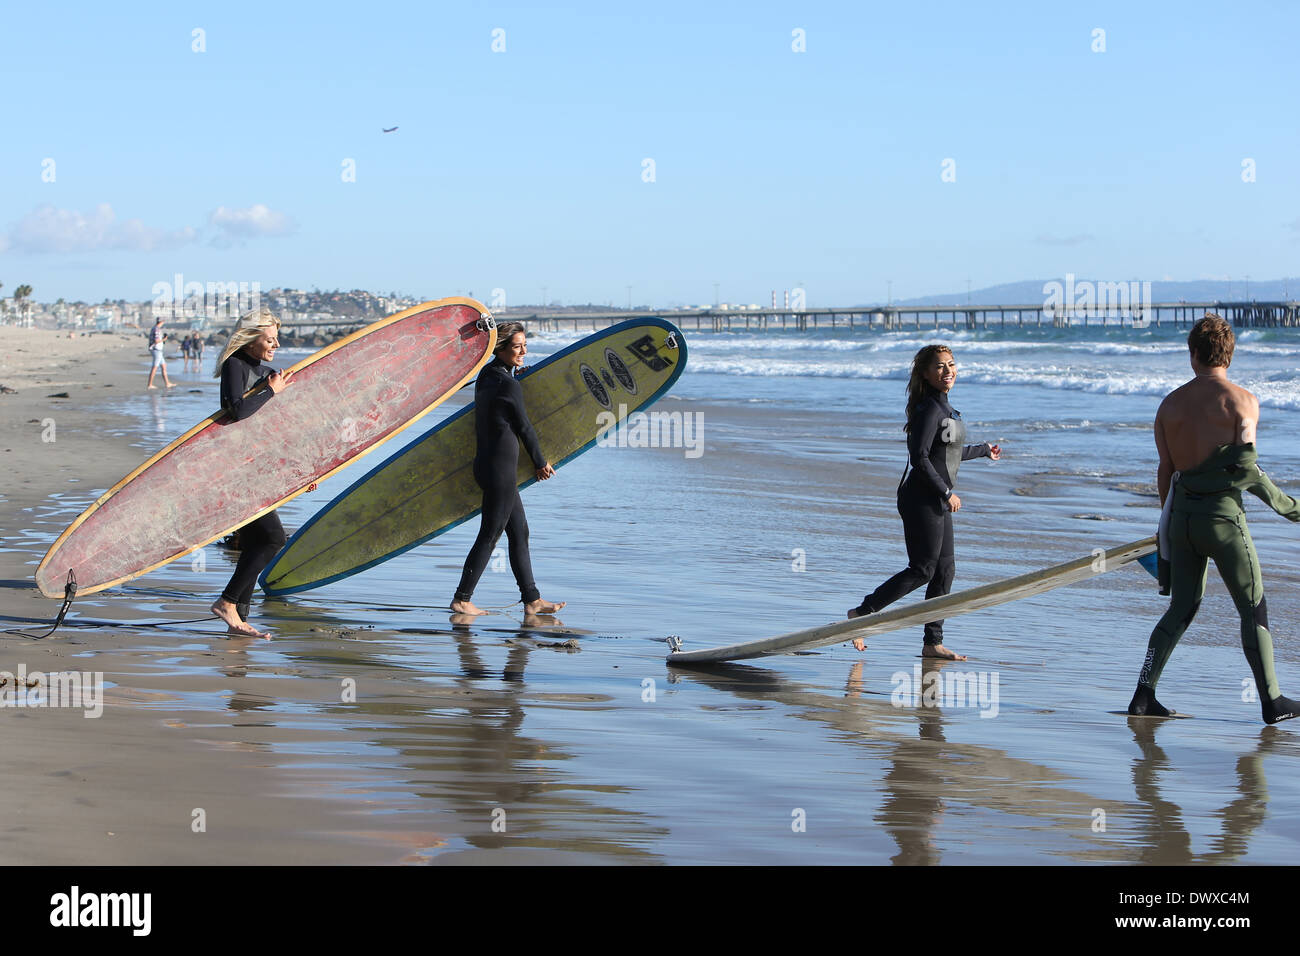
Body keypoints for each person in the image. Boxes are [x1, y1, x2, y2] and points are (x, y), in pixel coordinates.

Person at [1128, 314, 1300, 723]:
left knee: (1181, 609)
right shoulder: (1243, 401)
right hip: (1224, 522)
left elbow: (1165, 470)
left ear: (1192, 354)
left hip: (1182, 520)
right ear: (1230, 354)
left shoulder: (1169, 405)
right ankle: (1272, 702)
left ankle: (1143, 695)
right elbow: (1246, 471)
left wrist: (1165, 525)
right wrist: (1291, 508)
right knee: (1252, 609)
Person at [848, 344, 1001, 660]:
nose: (948, 371)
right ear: (926, 374)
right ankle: (864, 611)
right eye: (940, 366)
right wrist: (946, 492)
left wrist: (983, 449)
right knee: (923, 569)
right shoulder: (930, 409)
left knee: (945, 570)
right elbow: (919, 458)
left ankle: (933, 642)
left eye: (952, 364)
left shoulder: (945, 409)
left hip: (934, 499)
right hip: (921, 498)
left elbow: (947, 453)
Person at [451, 322, 566, 616]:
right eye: (517, 347)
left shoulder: (488, 375)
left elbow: (503, 404)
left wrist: (515, 374)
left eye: (525, 345)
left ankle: (532, 600)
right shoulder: (508, 383)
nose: (524, 351)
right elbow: (523, 426)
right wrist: (540, 461)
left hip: (490, 466)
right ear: (500, 348)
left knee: (520, 532)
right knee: (490, 535)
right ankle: (462, 599)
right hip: (500, 471)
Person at [208, 309, 295, 637]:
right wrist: (270, 392)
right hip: (233, 468)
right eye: (269, 338)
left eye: (276, 338)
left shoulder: (270, 374)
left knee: (258, 539)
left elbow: (274, 430)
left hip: (255, 467)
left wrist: (301, 470)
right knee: (274, 538)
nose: (276, 344)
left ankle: (238, 620)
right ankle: (227, 603)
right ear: (250, 337)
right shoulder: (236, 365)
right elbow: (236, 410)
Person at [145, 317, 175, 389]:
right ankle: (150, 384)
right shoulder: (157, 329)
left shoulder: (155, 328)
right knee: (155, 367)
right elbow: (156, 340)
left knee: (164, 366)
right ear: (162, 322)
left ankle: (167, 383)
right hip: (156, 349)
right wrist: (164, 339)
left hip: (158, 350)